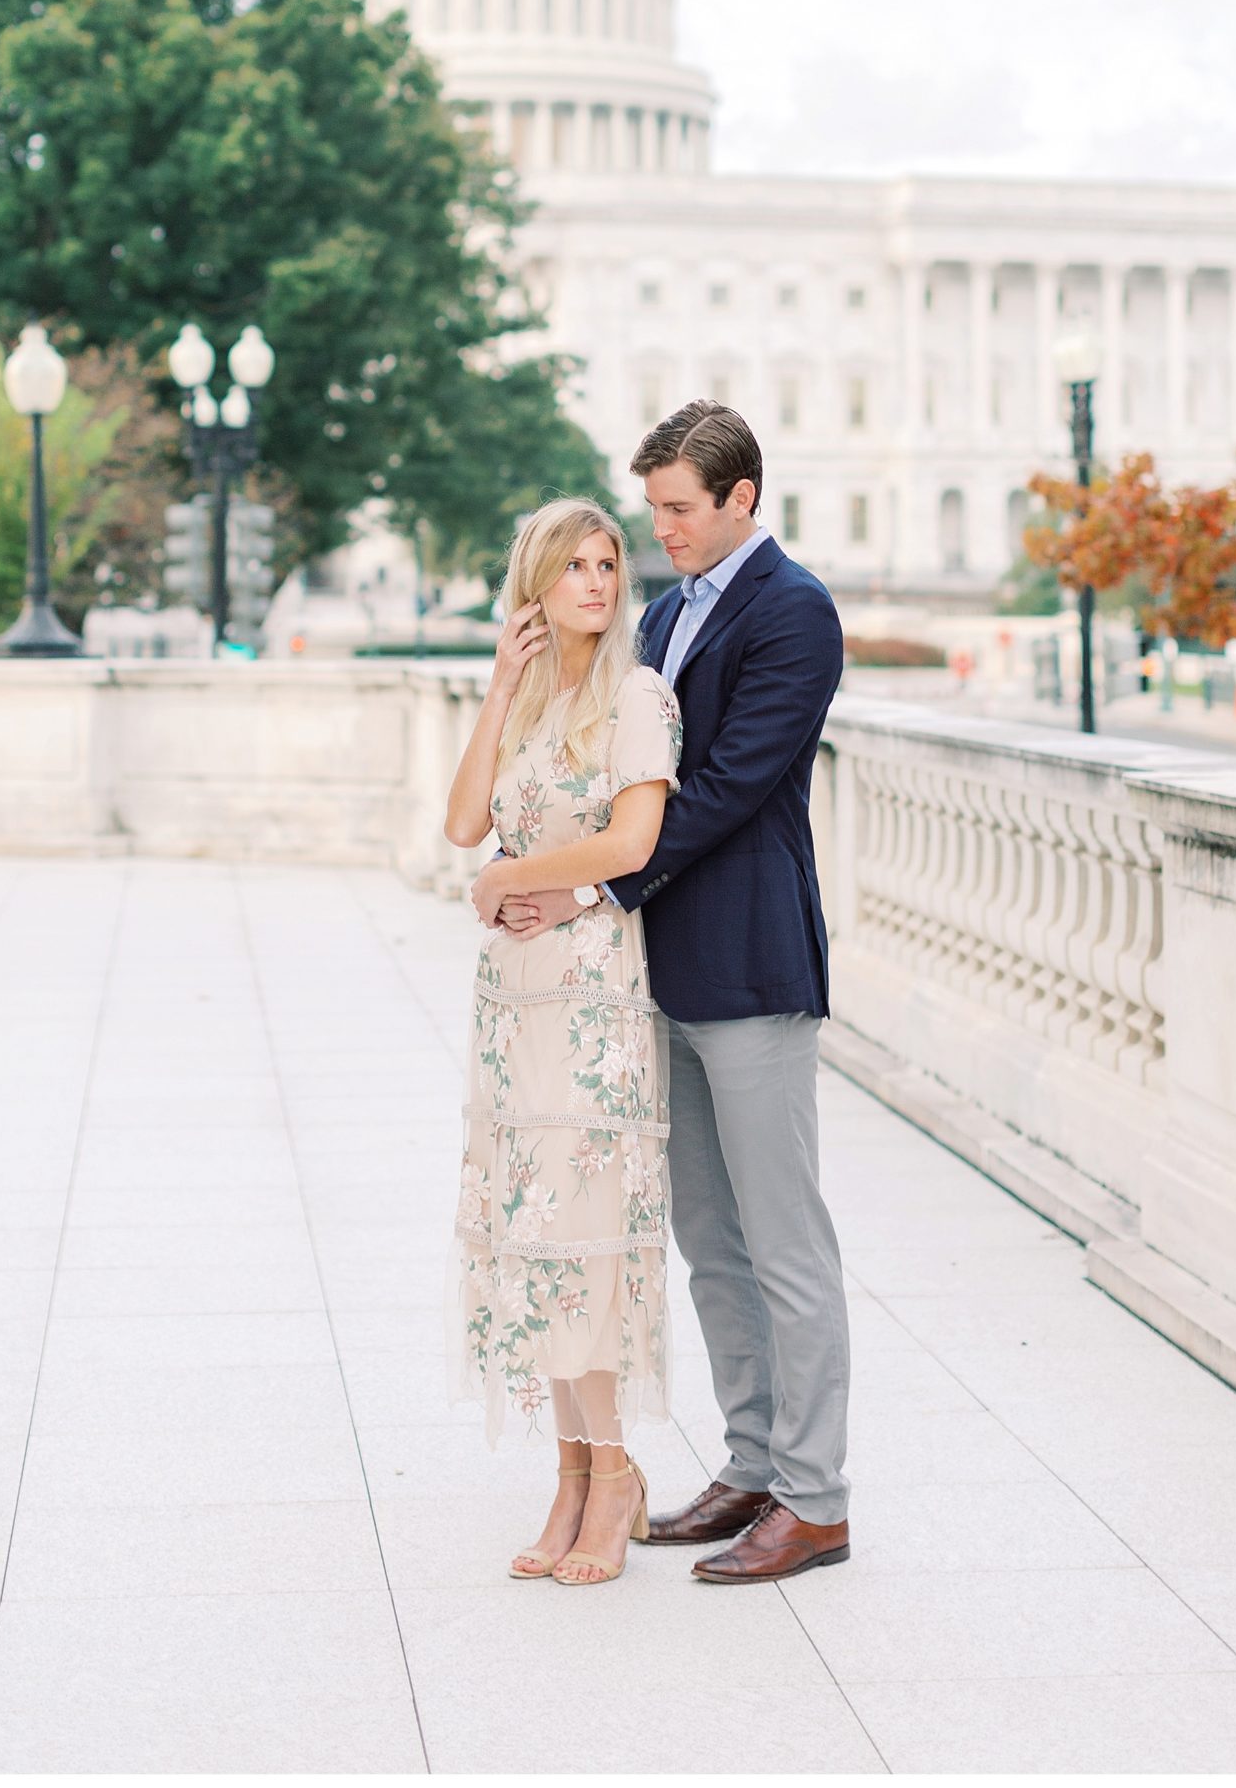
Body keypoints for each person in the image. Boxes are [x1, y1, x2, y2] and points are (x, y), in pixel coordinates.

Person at [488, 401, 851, 1583]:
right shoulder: (664, 612)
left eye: (680, 511)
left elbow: (724, 791)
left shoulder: (796, 613)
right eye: (653, 511)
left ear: (743, 497)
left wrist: (585, 890)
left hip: (750, 966)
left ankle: (816, 1495)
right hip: (662, 975)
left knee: (784, 1241)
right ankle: (749, 1465)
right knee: (711, 1240)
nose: (663, 532)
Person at [445, 496, 682, 1587]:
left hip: (590, 993)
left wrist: (512, 877)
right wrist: (500, 685)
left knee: (587, 1236)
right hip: (515, 997)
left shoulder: (637, 694)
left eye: (607, 563)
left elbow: (632, 839)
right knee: (537, 1243)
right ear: (535, 584)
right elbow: (460, 823)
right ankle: (572, 1478)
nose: (596, 581)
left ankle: (617, 1470)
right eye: (573, 565)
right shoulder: (532, 699)